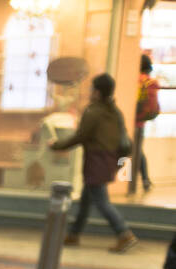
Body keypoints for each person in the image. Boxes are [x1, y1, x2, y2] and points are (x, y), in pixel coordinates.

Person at [52, 74, 137, 253]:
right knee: (86, 199)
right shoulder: (115, 111)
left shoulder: (93, 111)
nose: (90, 92)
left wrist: (57, 145)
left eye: (92, 89)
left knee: (101, 201)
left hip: (96, 161)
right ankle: (74, 234)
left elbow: (81, 136)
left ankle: (124, 233)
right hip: (108, 160)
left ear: (97, 92)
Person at [129, 56, 159, 197]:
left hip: (131, 120)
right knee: (138, 151)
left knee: (129, 151)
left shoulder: (136, 79)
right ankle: (145, 179)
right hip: (142, 121)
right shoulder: (150, 81)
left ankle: (127, 182)